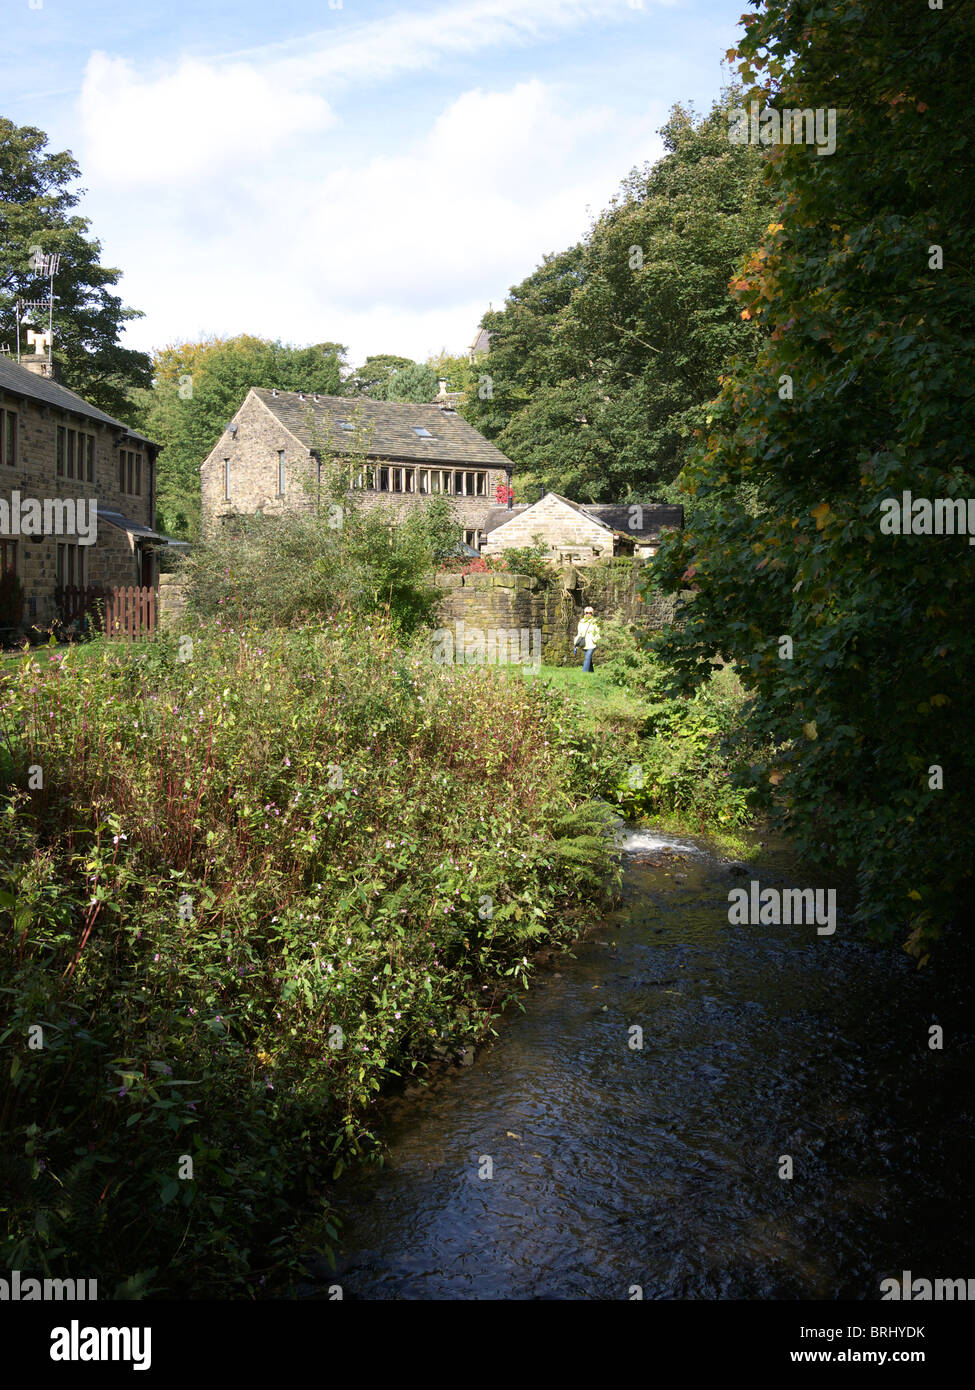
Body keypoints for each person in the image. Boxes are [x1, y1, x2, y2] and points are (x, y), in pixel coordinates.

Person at [573, 606, 600, 672]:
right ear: (585, 613)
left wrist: (595, 640)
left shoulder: (595, 622)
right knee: (588, 659)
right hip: (584, 644)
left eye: (590, 613)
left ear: (592, 613)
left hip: (592, 644)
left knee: (587, 658)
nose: (588, 614)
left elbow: (597, 632)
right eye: (587, 613)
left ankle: (584, 673)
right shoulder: (581, 622)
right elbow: (579, 633)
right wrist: (576, 644)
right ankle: (591, 672)